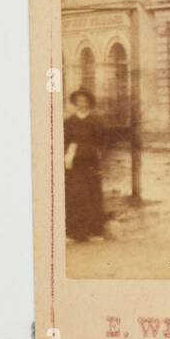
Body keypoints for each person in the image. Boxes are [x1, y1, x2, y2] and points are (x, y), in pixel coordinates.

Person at [64, 89, 106, 242]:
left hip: (90, 162)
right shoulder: (69, 122)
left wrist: (98, 155)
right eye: (78, 101)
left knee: (92, 194)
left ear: (89, 103)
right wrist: (68, 153)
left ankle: (94, 232)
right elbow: (65, 140)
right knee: (74, 195)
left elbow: (103, 142)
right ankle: (75, 233)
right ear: (75, 103)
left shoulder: (97, 121)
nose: (81, 104)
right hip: (73, 163)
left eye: (85, 101)